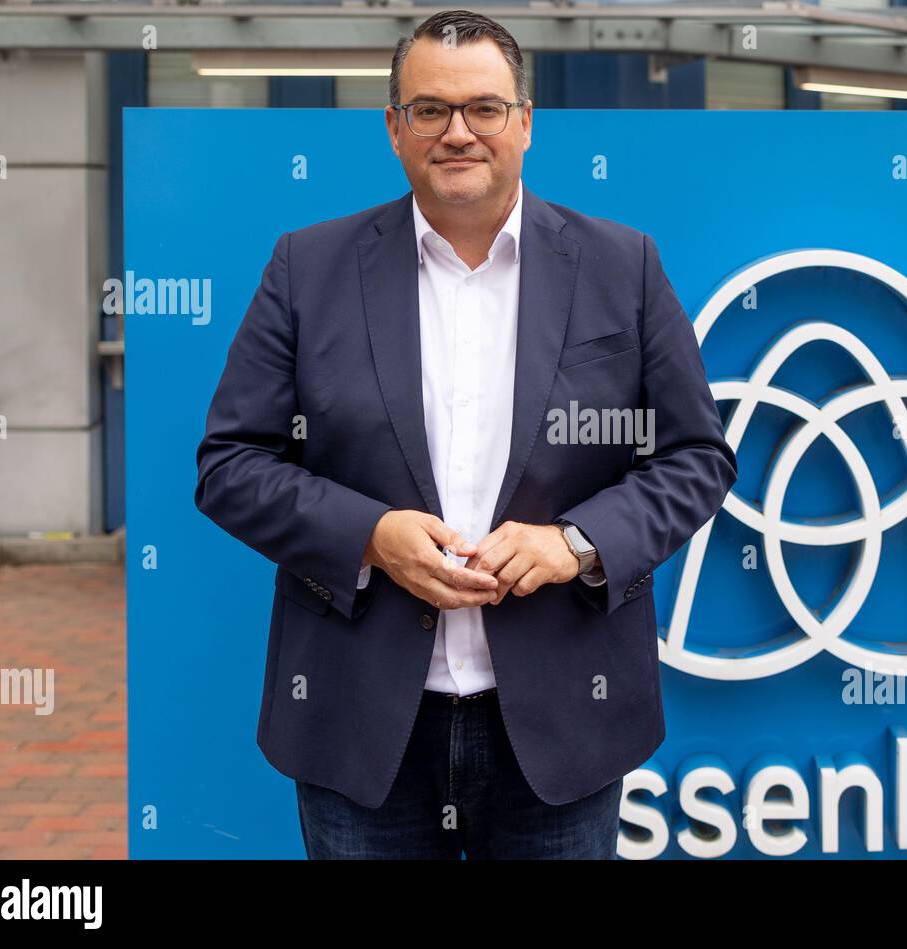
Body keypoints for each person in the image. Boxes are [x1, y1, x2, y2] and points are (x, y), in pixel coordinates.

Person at [194, 8, 736, 859]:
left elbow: (698, 458)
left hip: (562, 724)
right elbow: (229, 465)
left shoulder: (621, 267)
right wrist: (370, 536)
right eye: (429, 110)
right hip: (360, 721)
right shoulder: (307, 268)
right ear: (393, 128)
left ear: (524, 122)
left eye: (483, 108)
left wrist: (578, 543)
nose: (458, 132)